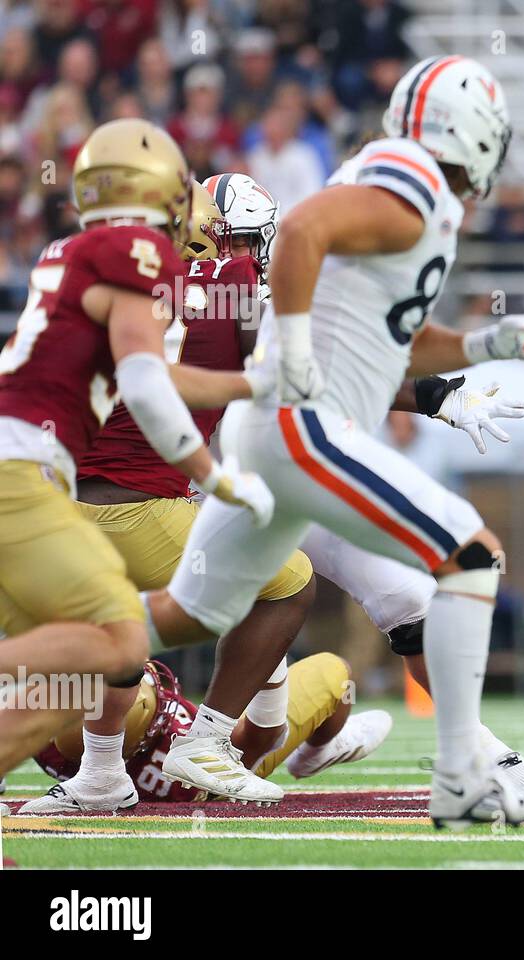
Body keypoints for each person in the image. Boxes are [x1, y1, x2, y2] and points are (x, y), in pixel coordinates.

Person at [143, 56, 524, 826]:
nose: (231, 258)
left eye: (242, 243)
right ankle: (460, 771)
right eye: (223, 242)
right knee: (462, 558)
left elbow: (378, 342)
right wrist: (297, 350)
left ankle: (69, 672)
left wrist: (469, 362)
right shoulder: (397, 184)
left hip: (264, 449)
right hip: (270, 444)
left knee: (194, 614)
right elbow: (308, 238)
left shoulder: (352, 221)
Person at [18, 181, 316, 813]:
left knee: (114, 630)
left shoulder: (105, 284)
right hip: (135, 506)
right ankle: (206, 739)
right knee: (291, 582)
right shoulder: (232, 278)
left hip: (58, 507)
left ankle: (101, 773)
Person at [31, 655, 392, 802]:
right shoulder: (171, 760)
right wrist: (268, 652)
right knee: (335, 674)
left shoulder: (48, 741)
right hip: (239, 758)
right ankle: (316, 751)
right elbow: (260, 735)